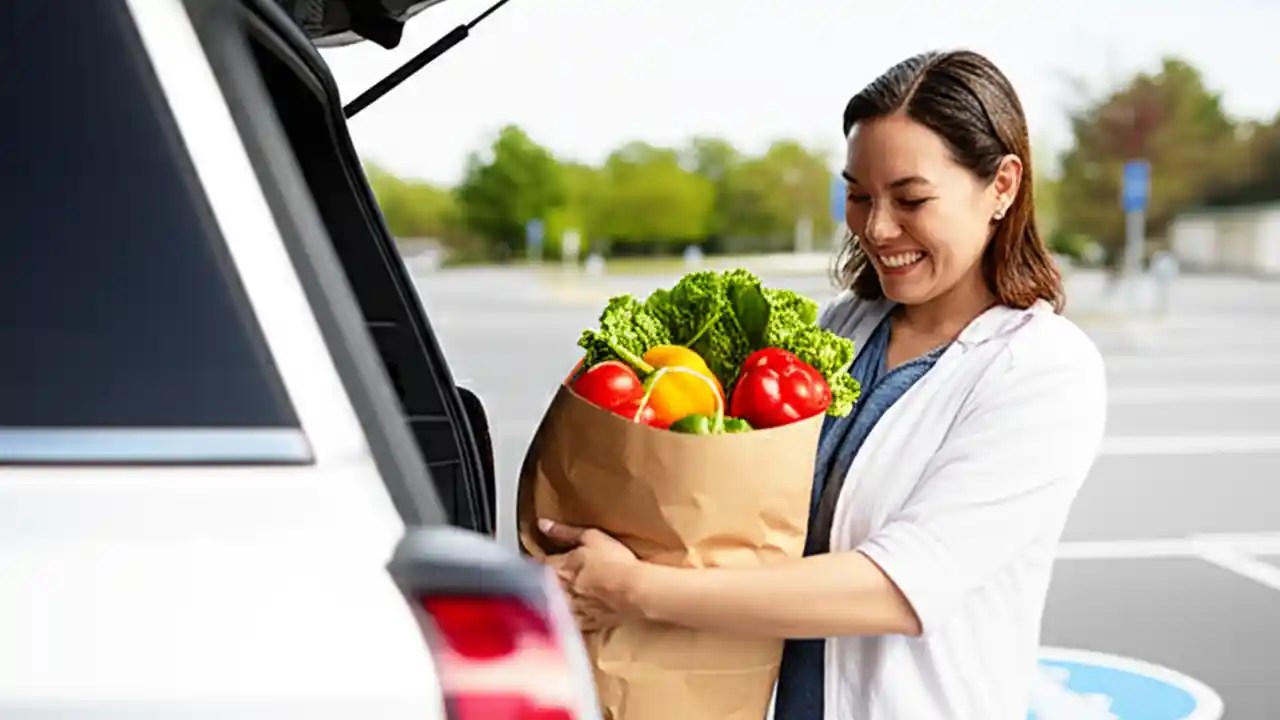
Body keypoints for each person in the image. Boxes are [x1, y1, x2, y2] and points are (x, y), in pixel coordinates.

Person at [539, 48, 1108, 720]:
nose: (877, 227)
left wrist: (636, 590)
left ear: (1003, 186)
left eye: (911, 198)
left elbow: (895, 591)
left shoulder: (1043, 370)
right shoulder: (842, 329)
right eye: (859, 195)